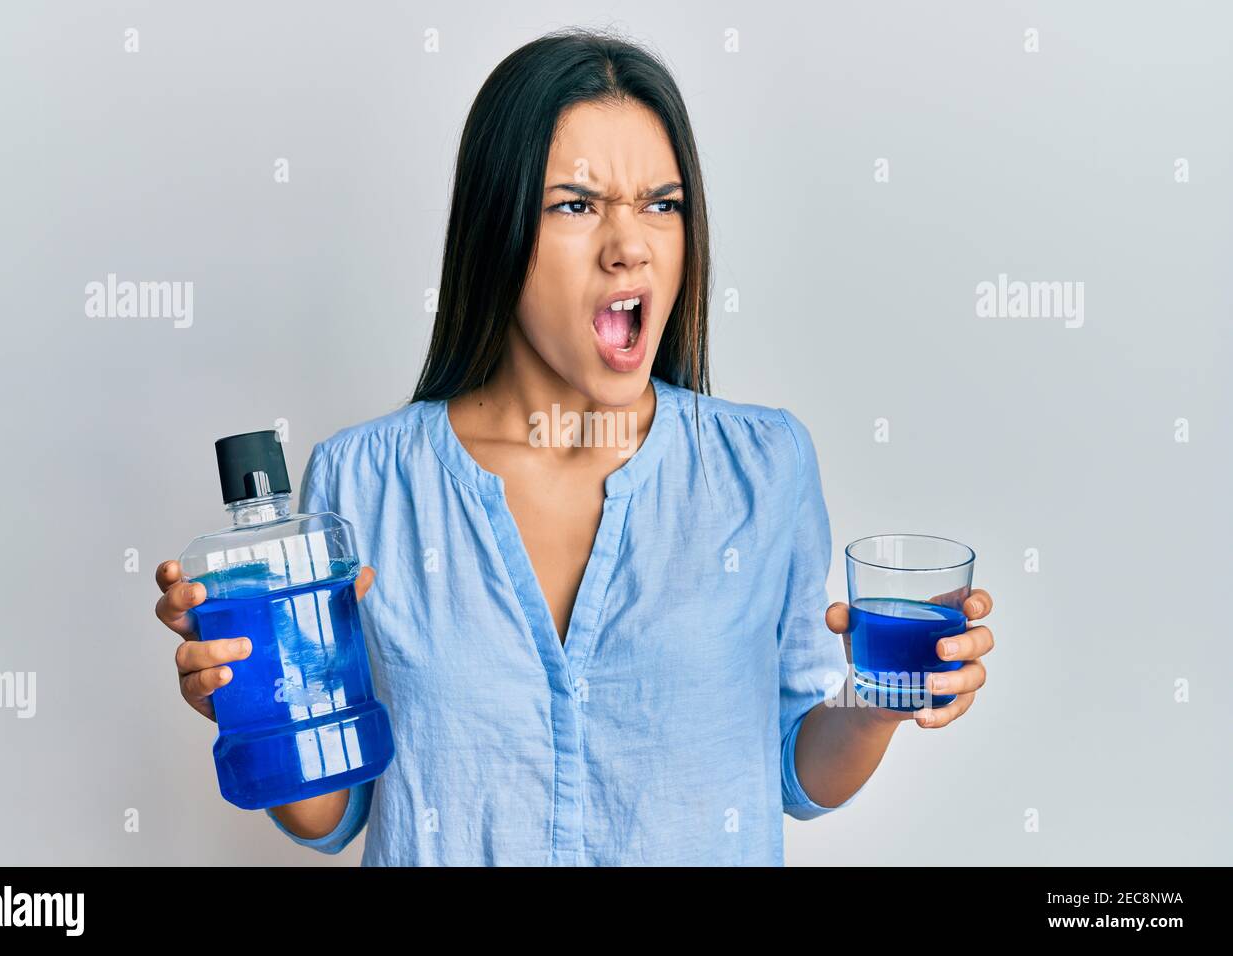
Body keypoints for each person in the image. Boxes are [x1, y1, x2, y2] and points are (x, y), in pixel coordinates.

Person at [154, 27, 995, 866]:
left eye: (662, 205)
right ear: (497, 230)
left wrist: (879, 698)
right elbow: (331, 814)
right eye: (577, 204)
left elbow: (792, 771)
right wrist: (252, 697)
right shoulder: (364, 481)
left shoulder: (763, 467)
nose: (630, 245)